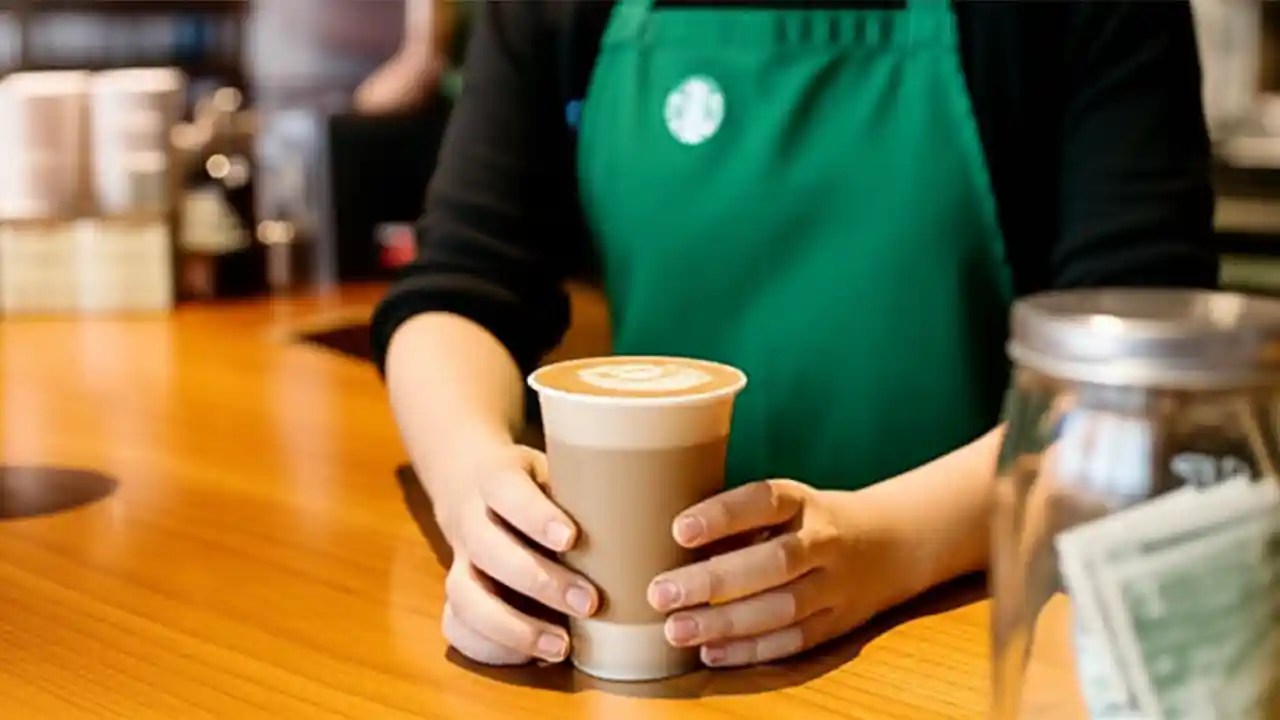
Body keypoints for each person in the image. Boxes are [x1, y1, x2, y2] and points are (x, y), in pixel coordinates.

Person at [372, 0, 1217, 669]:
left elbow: (1147, 378)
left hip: (976, 619)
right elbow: (458, 291)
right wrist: (474, 485)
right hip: (669, 630)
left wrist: (890, 542)